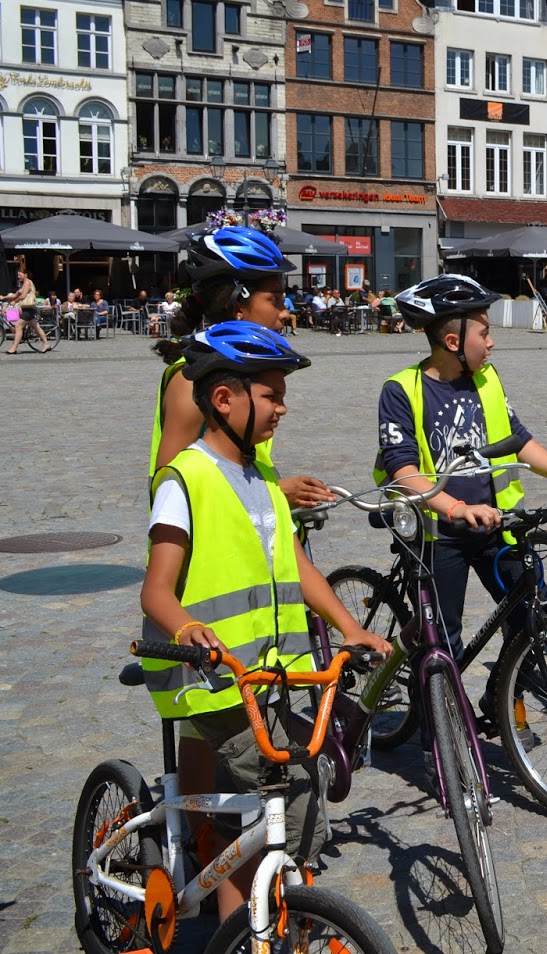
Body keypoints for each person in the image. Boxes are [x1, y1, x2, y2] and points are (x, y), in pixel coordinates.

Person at [137, 321, 391, 920]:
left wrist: (349, 627)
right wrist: (187, 629)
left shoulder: (263, 479)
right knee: (275, 791)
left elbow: (295, 564)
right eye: (272, 395)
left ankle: (246, 918)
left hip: (267, 675)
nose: (282, 408)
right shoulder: (186, 479)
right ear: (225, 399)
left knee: (277, 803)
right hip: (212, 679)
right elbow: (156, 591)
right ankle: (247, 923)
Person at [374, 274, 547, 732]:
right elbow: (402, 469)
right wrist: (456, 508)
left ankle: (500, 695)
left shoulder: (488, 380)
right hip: (439, 536)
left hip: (497, 527)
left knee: (531, 617)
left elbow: (518, 440)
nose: (492, 342)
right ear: (453, 341)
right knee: (444, 643)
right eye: (485, 332)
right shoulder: (401, 390)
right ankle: (443, 740)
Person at [152, 227, 330, 510]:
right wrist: (276, 492)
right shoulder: (193, 377)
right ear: (237, 305)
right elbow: (170, 488)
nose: (285, 313)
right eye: (274, 300)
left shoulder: (241, 367)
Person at [0, 267, 52, 354]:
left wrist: (15, 302)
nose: (18, 276)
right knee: (36, 328)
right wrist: (4, 297)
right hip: (25, 309)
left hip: (29, 309)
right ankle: (46, 344)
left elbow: (23, 296)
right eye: (18, 275)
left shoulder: (27, 282)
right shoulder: (22, 284)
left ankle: (13, 348)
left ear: (25, 275)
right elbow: (15, 295)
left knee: (18, 326)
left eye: (20, 275)